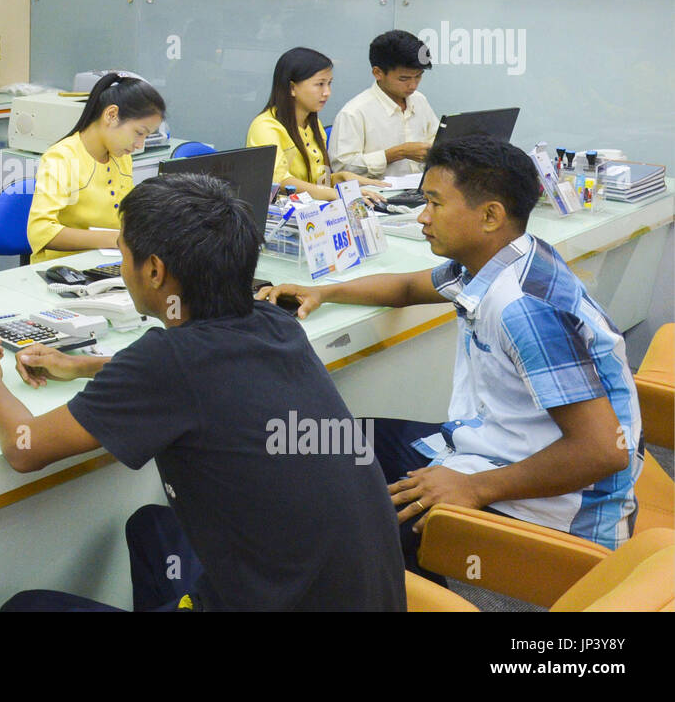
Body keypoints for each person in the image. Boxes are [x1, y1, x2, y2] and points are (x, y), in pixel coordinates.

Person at [0, 174, 406, 611]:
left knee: (26, 607)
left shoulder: (168, 361)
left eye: (123, 255)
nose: (123, 268)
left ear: (155, 271)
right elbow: (203, 377)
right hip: (355, 593)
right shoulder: (274, 322)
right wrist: (81, 365)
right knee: (151, 530)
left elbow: (22, 447)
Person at [256, 136, 640, 573]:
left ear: (491, 215)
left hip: (561, 510)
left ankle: (414, 576)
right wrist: (323, 291)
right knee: (322, 442)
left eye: (435, 204)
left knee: (356, 535)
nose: (422, 217)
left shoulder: (525, 309)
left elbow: (603, 452)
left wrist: (473, 489)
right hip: (499, 450)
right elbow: (404, 288)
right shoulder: (498, 259)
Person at [26, 72, 165, 263]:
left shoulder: (120, 156)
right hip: (64, 270)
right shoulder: (62, 157)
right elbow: (40, 232)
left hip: (108, 263)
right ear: (111, 115)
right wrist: (117, 240)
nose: (140, 144)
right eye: (139, 133)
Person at [245, 46, 386, 203]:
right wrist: (337, 194)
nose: (327, 92)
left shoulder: (313, 124)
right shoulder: (266, 127)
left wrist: (339, 178)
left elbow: (314, 183)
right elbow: (280, 182)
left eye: (329, 83)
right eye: (320, 84)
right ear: (292, 88)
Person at [330, 30, 440, 179]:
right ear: (378, 73)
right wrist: (395, 154)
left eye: (418, 76)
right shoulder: (354, 112)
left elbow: (436, 139)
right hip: (376, 195)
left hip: (422, 189)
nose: (413, 85)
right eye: (404, 79)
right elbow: (341, 168)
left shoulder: (419, 100)